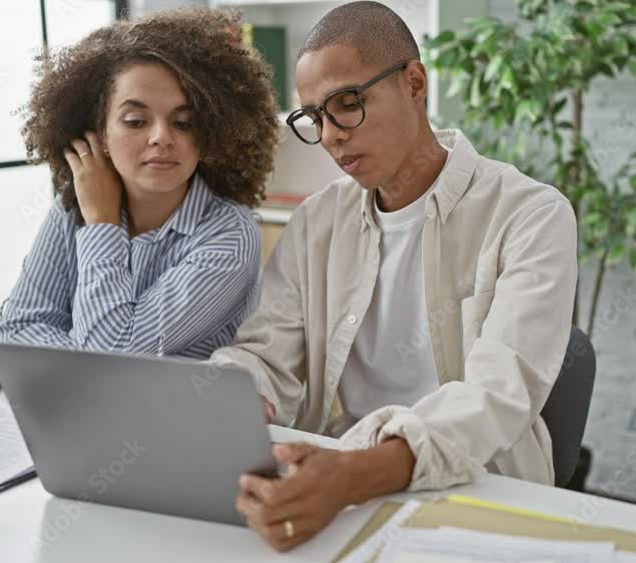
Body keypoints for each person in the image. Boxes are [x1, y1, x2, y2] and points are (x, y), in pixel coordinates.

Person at [210, 1, 579, 552]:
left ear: (414, 83)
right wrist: (240, 394)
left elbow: (498, 393)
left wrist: (353, 473)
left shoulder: (530, 214)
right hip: (338, 486)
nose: (331, 135)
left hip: (477, 493)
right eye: (314, 116)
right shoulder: (318, 221)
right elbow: (266, 354)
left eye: (348, 104)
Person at [0, 10, 279, 359]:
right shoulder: (71, 210)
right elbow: (15, 332)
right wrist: (91, 360)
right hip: (81, 410)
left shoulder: (229, 234)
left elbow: (113, 353)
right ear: (97, 133)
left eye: (184, 122)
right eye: (136, 120)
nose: (161, 137)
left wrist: (102, 224)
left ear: (209, 134)